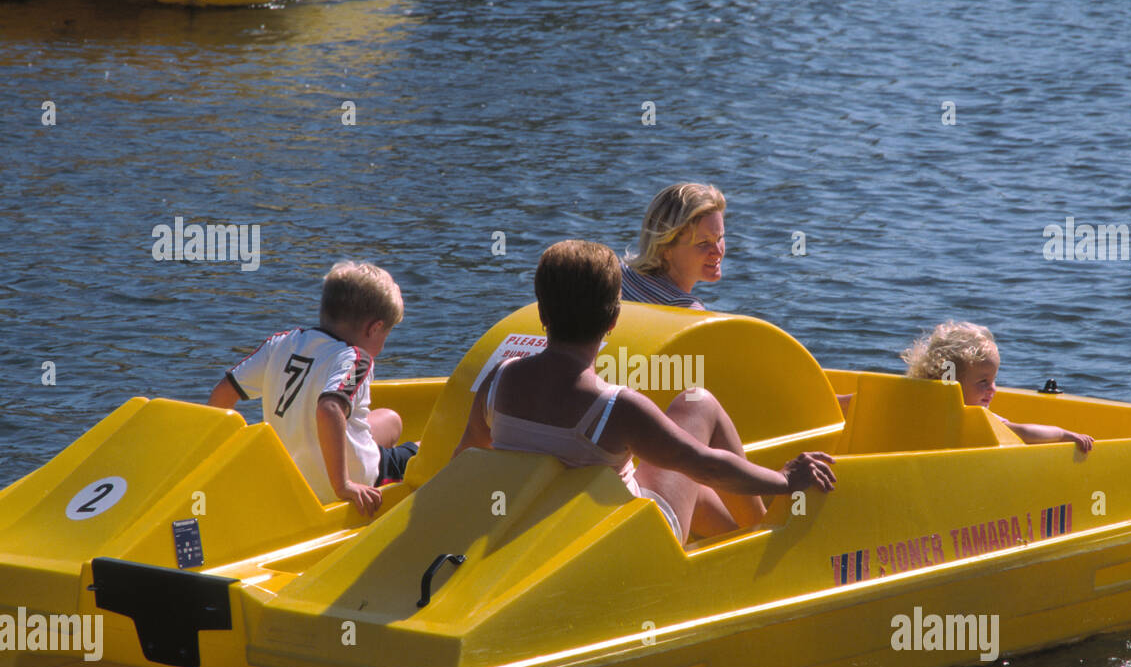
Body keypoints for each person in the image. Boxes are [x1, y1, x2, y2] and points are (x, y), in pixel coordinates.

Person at [456, 240, 835, 543]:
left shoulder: (498, 381)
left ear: (542, 313)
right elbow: (707, 465)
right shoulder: (614, 408)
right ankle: (768, 542)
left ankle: (738, 542)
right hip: (624, 541)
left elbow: (464, 462)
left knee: (680, 481)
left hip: (544, 535)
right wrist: (785, 480)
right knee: (697, 405)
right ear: (614, 319)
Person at [208, 261, 417, 515]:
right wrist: (343, 485)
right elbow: (329, 408)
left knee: (391, 420)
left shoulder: (280, 343)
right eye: (387, 334)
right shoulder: (356, 359)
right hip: (349, 482)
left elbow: (222, 394)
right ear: (375, 328)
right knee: (429, 447)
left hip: (292, 478)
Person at [900, 320, 1095, 453]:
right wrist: (1063, 435)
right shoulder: (978, 417)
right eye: (983, 382)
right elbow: (1024, 433)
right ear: (950, 382)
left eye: (993, 380)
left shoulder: (919, 405)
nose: (993, 389)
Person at [621, 182, 726, 309]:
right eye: (703, 243)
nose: (718, 251)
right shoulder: (685, 309)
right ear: (665, 248)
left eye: (719, 238)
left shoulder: (618, 275)